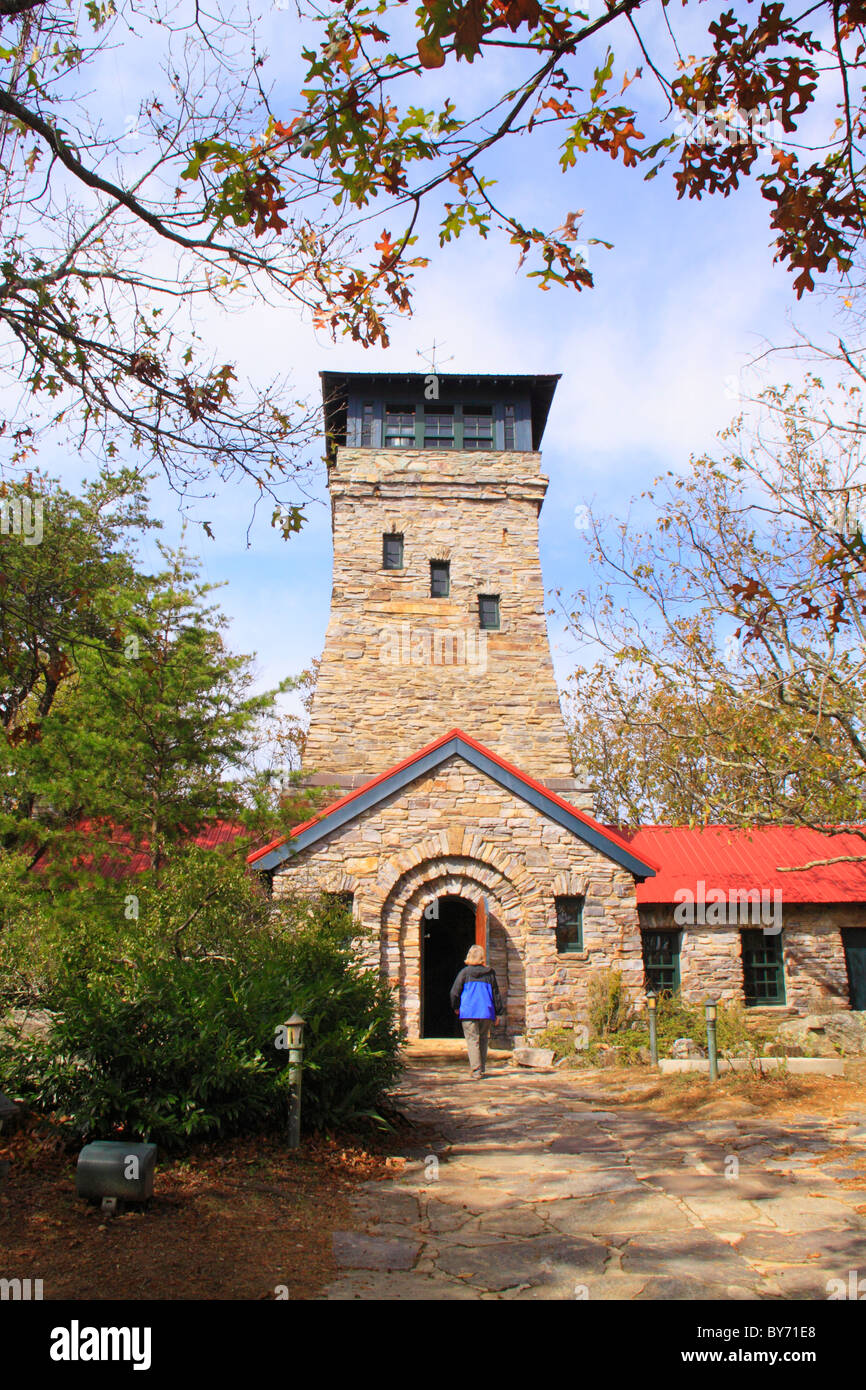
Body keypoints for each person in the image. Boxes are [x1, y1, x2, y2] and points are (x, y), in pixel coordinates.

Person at [450, 944, 503, 1079]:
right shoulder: (490, 973)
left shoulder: (464, 973)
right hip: (486, 1011)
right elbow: (496, 994)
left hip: (469, 1011)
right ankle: (482, 1068)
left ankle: (476, 1070)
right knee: (483, 1039)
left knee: (472, 1040)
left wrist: (456, 1007)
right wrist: (498, 1013)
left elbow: (454, 992)